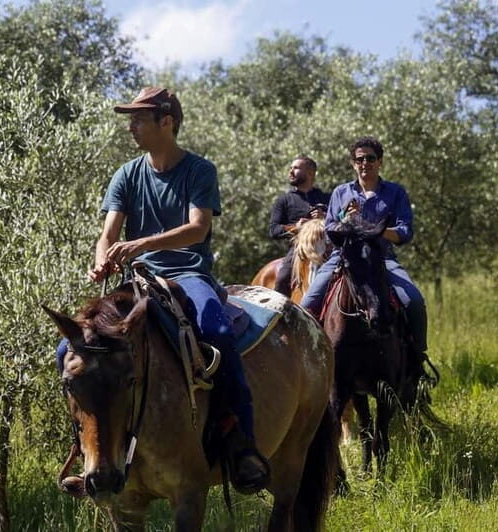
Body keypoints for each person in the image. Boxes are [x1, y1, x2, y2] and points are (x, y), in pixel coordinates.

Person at [85, 86, 269, 493]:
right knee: (73, 348)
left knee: (218, 333)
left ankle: (242, 443)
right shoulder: (126, 174)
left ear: (166, 122)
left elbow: (198, 228)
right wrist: (102, 260)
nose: (131, 127)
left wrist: (141, 244)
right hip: (137, 281)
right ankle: (86, 453)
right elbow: (108, 234)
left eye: (139, 120)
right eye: (131, 120)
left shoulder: (199, 170)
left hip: (188, 275)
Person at [300, 136, 428, 359]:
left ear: (380, 162)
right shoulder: (341, 192)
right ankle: (309, 359)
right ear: (353, 164)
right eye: (359, 159)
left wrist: (377, 231)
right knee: (307, 303)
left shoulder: (395, 192)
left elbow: (405, 231)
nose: (365, 163)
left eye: (370, 158)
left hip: (382, 258)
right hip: (343, 258)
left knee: (414, 301)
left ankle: (417, 357)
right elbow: (330, 229)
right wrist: (345, 220)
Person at [268, 156, 331, 296]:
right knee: (282, 278)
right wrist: (295, 227)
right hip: (299, 250)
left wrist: (325, 217)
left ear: (310, 173)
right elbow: (273, 230)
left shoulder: (327, 198)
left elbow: (340, 222)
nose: (290, 171)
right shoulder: (284, 200)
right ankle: (280, 308)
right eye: (291, 168)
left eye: (296, 168)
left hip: (328, 247)